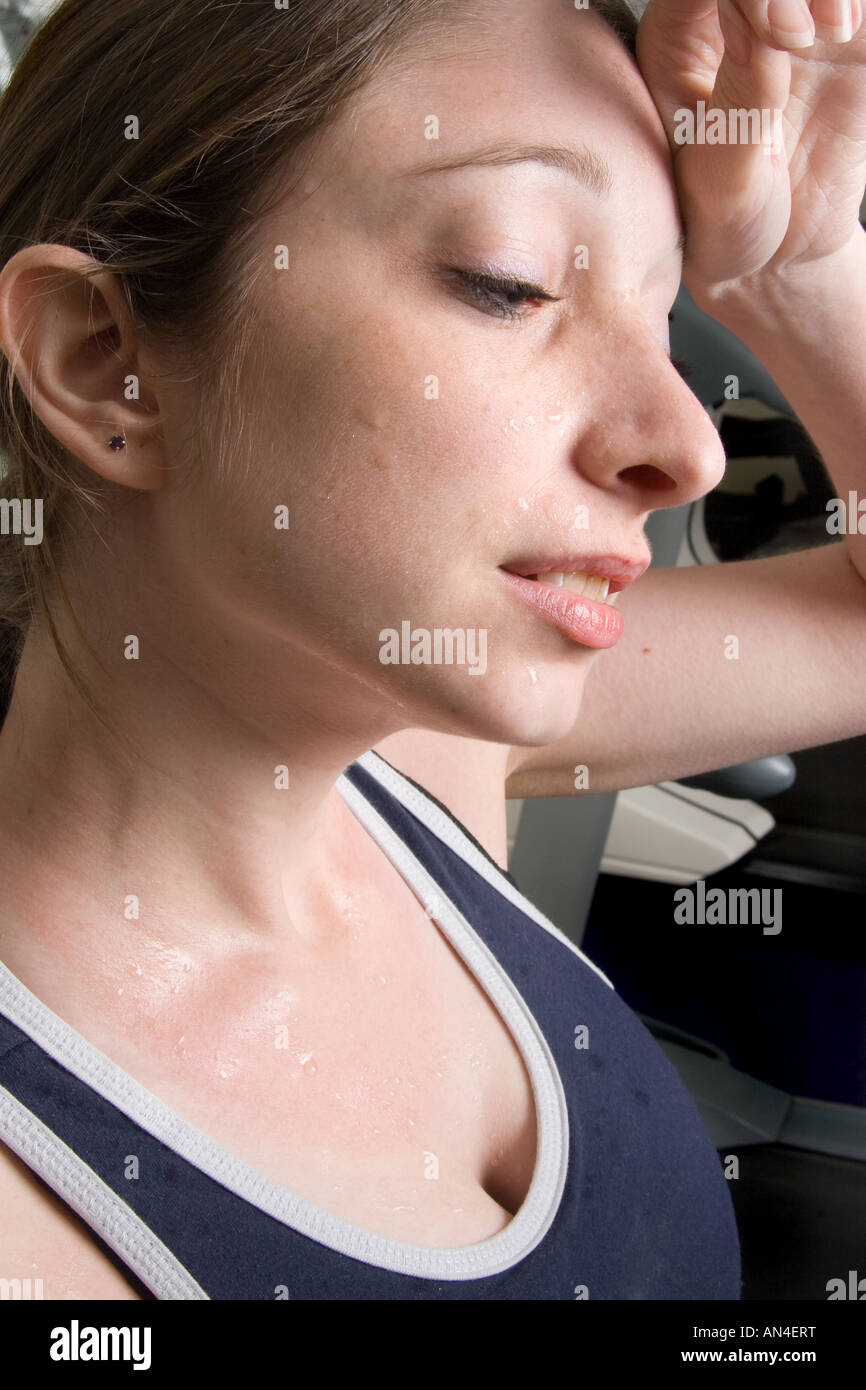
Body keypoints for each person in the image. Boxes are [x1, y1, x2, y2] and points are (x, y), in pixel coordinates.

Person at [0, 0, 862, 1301]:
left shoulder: (418, 753)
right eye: (511, 282)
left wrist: (793, 273)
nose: (685, 444)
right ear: (104, 358)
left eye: (666, 309)